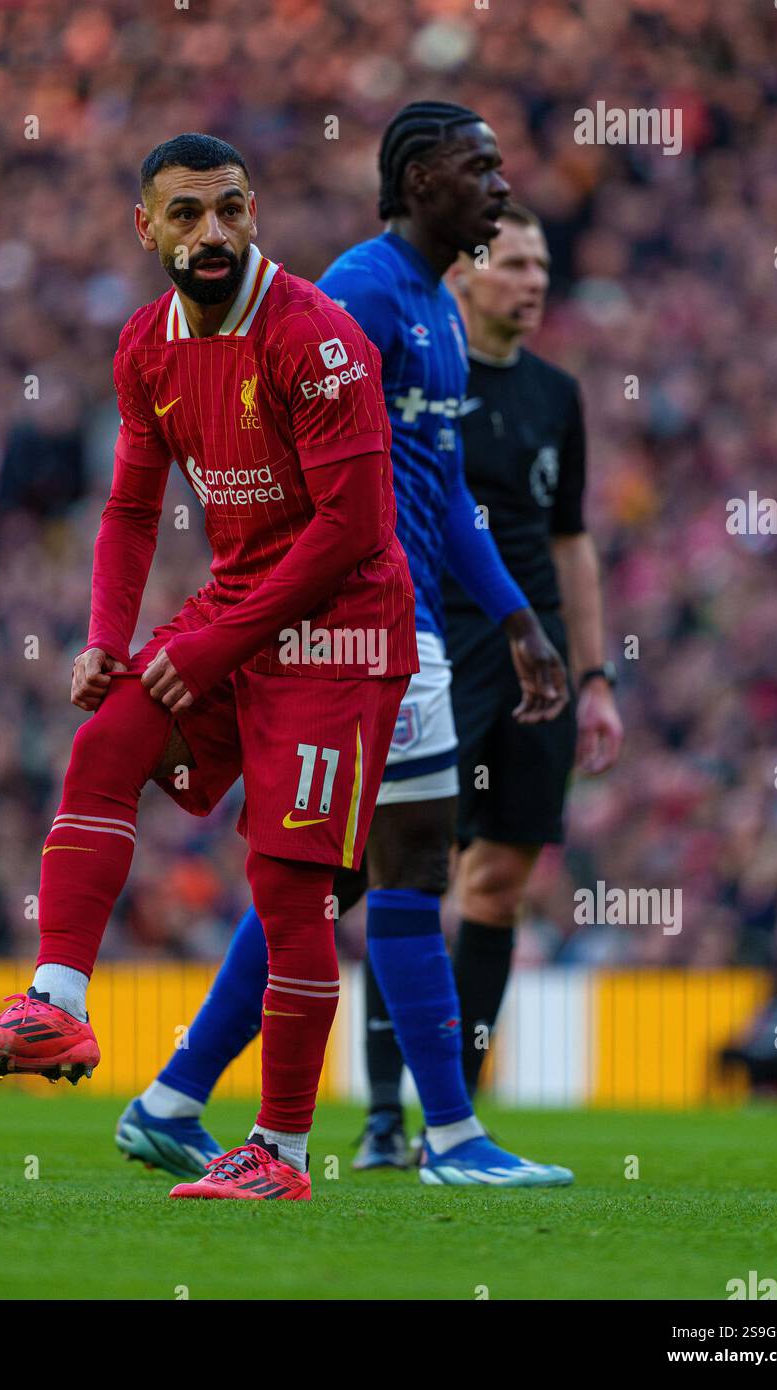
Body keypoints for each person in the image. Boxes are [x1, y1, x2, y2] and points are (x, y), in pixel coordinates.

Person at [0, 132, 419, 1203]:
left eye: (232, 210)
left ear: (255, 214)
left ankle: (281, 1154)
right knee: (106, 734)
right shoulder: (145, 346)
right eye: (189, 213)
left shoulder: (317, 337)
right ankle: (56, 1001)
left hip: (337, 632)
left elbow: (353, 528)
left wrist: (208, 643)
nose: (213, 233)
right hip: (240, 604)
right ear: (145, 226)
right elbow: (128, 505)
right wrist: (109, 637)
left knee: (290, 887)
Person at [121, 102, 575, 1189]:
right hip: (355, 631)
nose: (501, 189)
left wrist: (517, 618)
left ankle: (177, 1093)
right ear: (420, 179)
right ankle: (445, 1139)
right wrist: (275, 615)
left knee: (330, 881)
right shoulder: (357, 297)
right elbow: (287, 465)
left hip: (401, 626)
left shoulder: (436, 309)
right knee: (386, 869)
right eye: (481, 169)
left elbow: (448, 488)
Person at [358, 206, 624, 1159]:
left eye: (543, 263)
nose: (535, 279)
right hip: (437, 637)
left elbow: (571, 540)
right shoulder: (429, 375)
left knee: (498, 881)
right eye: (514, 261)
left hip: (534, 649)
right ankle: (385, 1110)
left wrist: (594, 674)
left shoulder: (557, 395)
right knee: (394, 869)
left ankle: (451, 1117)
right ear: (464, 276)